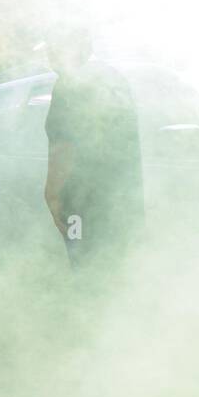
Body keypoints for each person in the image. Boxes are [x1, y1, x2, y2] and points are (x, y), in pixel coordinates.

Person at [43, 25, 144, 281]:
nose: (50, 56)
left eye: (53, 47)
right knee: (122, 277)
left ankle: (92, 318)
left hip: (83, 204)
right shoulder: (114, 78)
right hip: (125, 202)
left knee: (88, 275)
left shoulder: (69, 84)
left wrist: (52, 196)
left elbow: (64, 146)